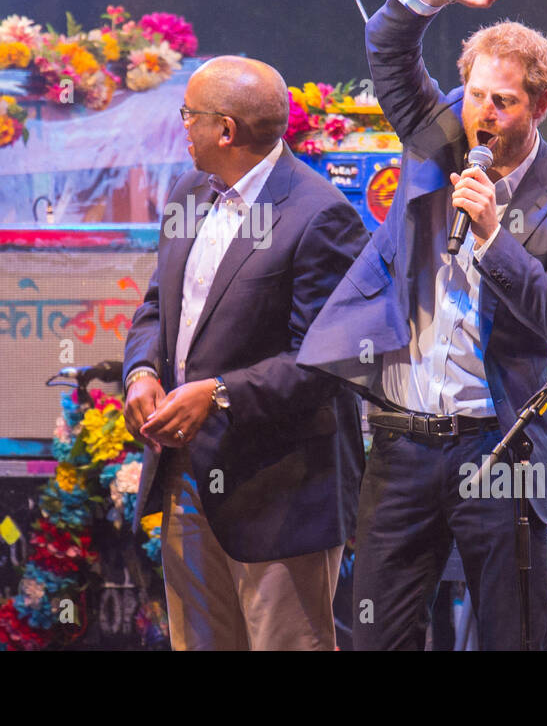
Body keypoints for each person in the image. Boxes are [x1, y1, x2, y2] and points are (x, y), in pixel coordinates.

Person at [299, 0, 547, 650]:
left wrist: (495, 239)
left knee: (512, 637)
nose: (482, 114)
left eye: (503, 102)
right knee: (378, 639)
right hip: (402, 444)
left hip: (496, 449)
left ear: (538, 105)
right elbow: (386, 43)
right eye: (474, 94)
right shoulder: (437, 135)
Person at [122, 56, 369, 650]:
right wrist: (140, 371)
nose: (183, 126)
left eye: (190, 116)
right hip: (187, 478)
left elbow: (327, 363)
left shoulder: (320, 215)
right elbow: (159, 306)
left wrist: (218, 393)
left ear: (225, 130)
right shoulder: (188, 192)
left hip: (279, 493)